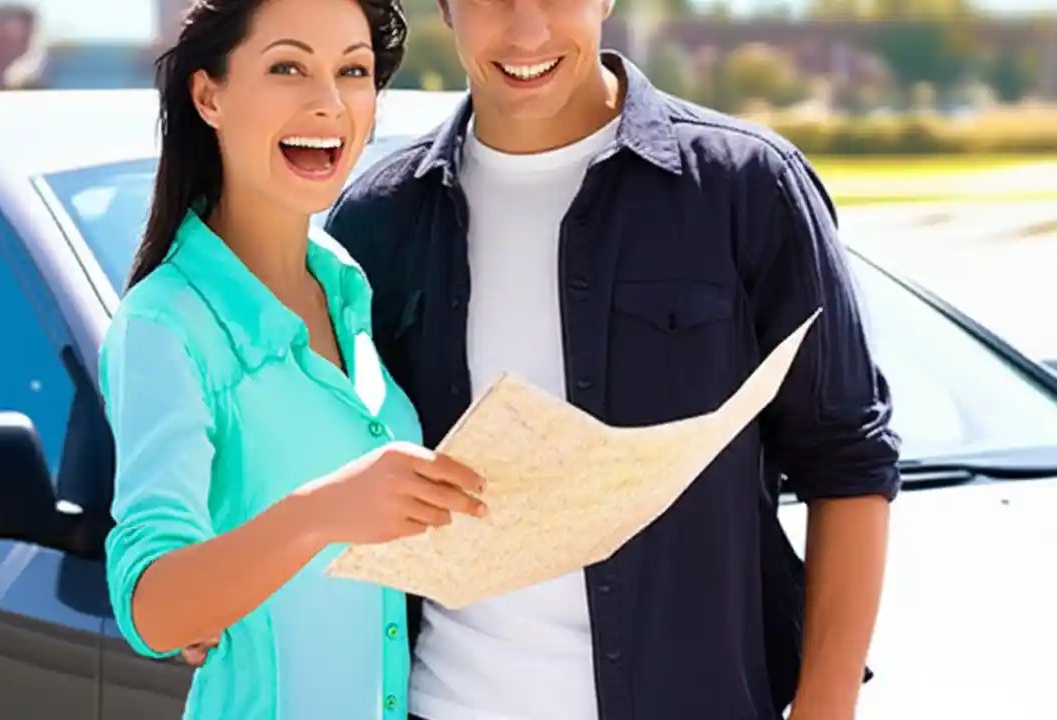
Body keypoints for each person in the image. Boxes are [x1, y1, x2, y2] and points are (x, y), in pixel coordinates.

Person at [322, 1, 901, 719]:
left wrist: (826, 706)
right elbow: (322, 475)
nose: (526, 30)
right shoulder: (378, 220)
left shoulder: (747, 188)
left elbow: (848, 459)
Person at [98, 0, 488, 718]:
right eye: (288, 67)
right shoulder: (165, 325)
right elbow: (153, 609)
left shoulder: (344, 282)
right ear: (209, 95)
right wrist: (322, 514)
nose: (329, 102)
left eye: (354, 71)